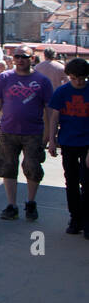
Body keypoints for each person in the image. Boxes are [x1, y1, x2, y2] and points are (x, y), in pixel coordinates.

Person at [0, 46, 54, 220]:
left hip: (34, 132)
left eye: (24, 56)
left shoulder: (42, 81)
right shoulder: (5, 78)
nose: (20, 60)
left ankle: (30, 202)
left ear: (32, 59)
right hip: (8, 131)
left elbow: (50, 109)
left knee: (33, 168)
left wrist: (51, 134)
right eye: (17, 56)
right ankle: (11, 205)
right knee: (7, 168)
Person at [47, 57, 89, 236]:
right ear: (69, 76)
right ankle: (75, 218)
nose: (78, 82)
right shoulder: (62, 92)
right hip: (68, 141)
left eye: (82, 78)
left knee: (86, 182)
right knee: (71, 182)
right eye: (74, 78)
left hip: (87, 143)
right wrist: (51, 139)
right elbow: (55, 116)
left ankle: (87, 221)